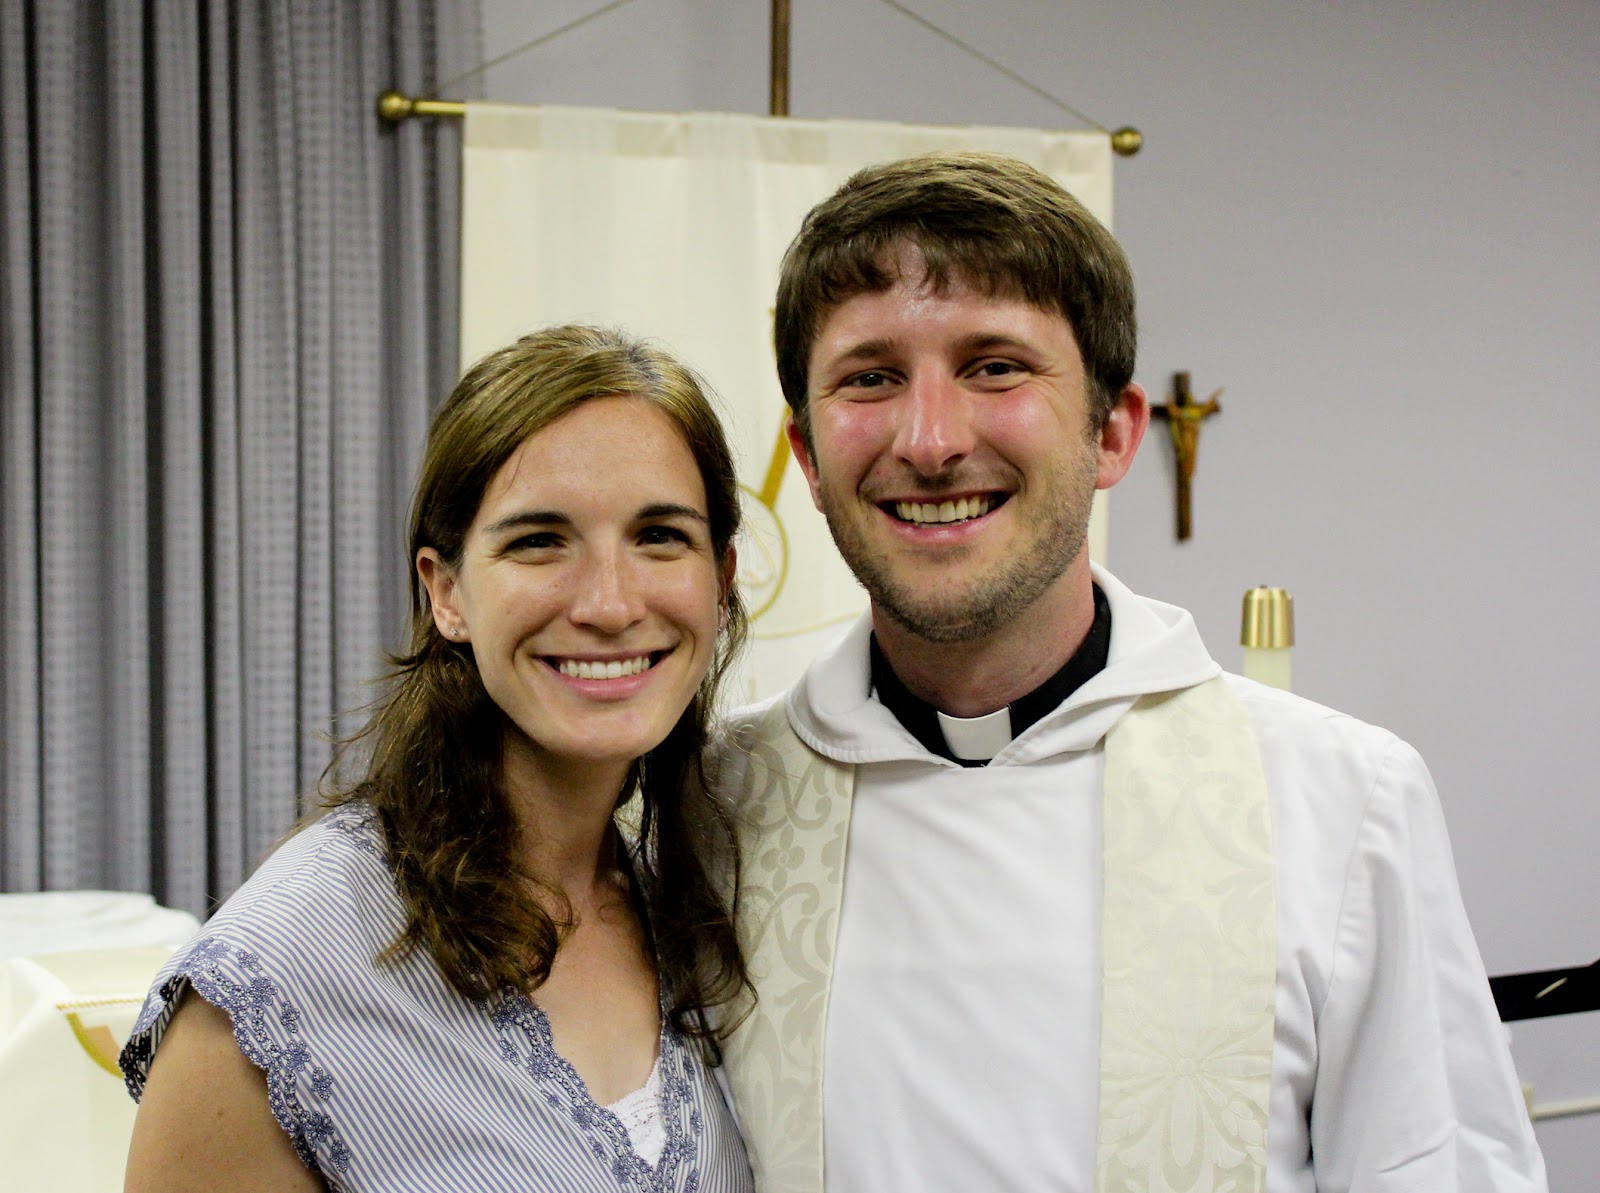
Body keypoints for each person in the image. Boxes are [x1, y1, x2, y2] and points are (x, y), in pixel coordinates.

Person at [713, 153, 1547, 1192]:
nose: (928, 440)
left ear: (1112, 430)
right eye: (871, 377)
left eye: (995, 365)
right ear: (804, 450)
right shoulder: (712, 804)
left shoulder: (1341, 799)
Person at [121, 325, 756, 1193]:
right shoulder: (280, 976)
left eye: (659, 536)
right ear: (447, 591)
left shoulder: (707, 899)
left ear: (720, 581)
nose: (610, 603)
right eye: (539, 540)